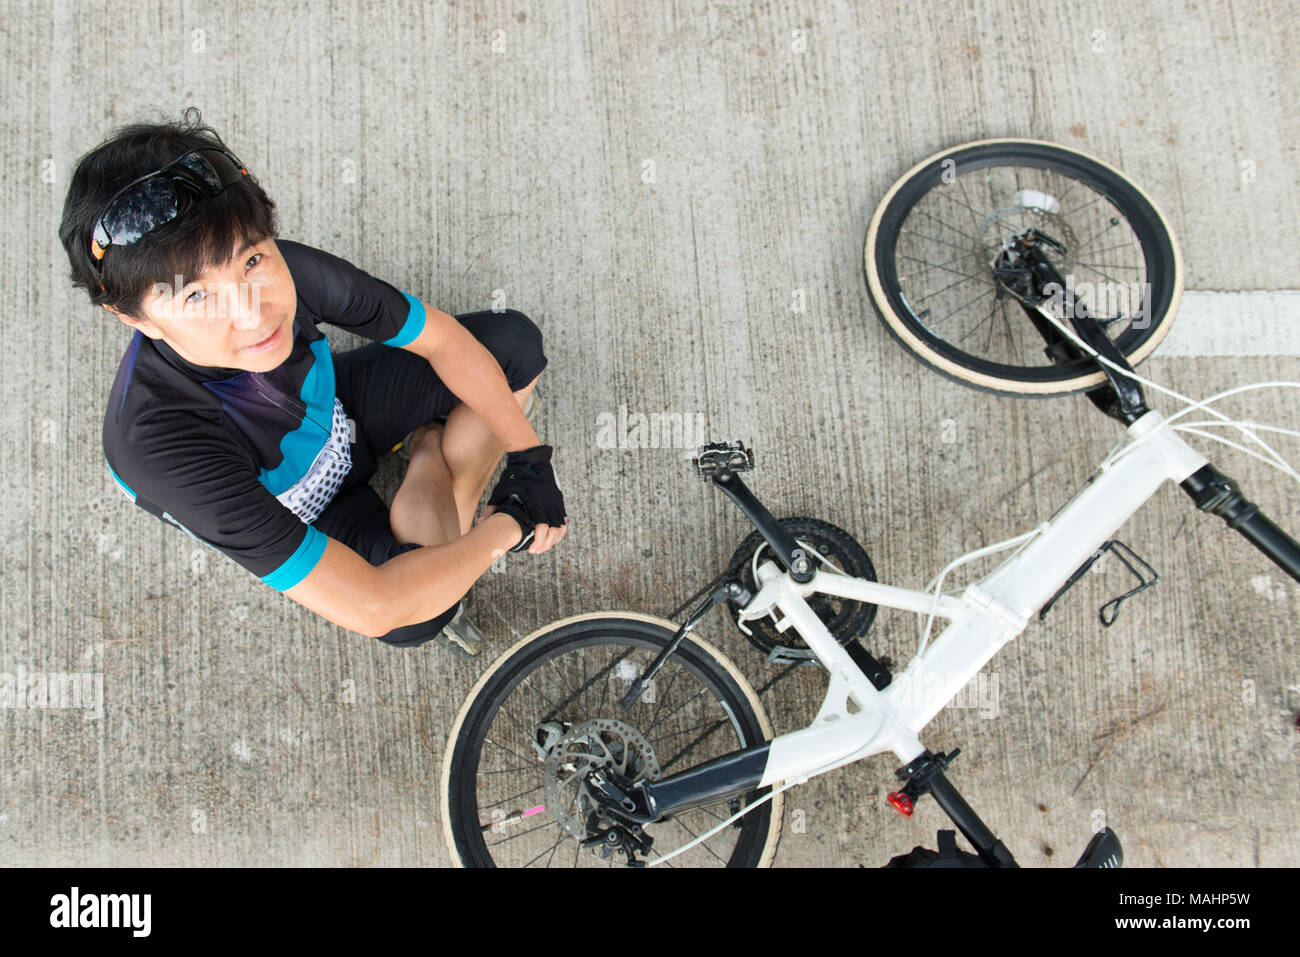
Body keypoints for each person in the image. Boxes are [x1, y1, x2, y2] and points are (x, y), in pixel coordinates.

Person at [58, 108, 567, 655]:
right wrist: (510, 522)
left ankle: (429, 459)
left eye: (251, 260)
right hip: (305, 509)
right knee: (419, 613)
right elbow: (377, 605)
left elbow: (440, 339)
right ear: (133, 318)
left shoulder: (293, 270)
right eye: (196, 296)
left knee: (513, 346)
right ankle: (427, 454)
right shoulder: (155, 445)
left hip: (343, 414)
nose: (254, 317)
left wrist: (530, 460)